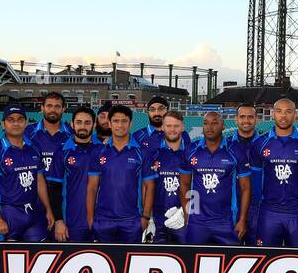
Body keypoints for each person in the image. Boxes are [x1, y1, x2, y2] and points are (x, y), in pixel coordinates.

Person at [0, 105, 56, 242]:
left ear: (25, 123)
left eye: (20, 119)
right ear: (3, 124)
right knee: (9, 260)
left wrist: (48, 209)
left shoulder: (34, 147)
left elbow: (39, 180)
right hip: (8, 213)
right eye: (10, 120)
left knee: (37, 257)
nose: (16, 123)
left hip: (34, 211)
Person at [248, 98, 298, 247]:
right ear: (273, 114)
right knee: (266, 259)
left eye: (288, 111)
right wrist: (266, 201)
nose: (283, 116)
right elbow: (256, 180)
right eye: (279, 111)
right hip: (269, 212)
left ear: (295, 115)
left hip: (297, 213)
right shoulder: (260, 144)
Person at [86, 104, 155, 243]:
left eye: (124, 121)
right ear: (110, 124)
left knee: (130, 262)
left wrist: (145, 218)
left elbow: (150, 186)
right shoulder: (98, 152)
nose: (120, 125)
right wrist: (91, 220)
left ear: (131, 124)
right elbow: (92, 188)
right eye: (116, 121)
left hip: (132, 221)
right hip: (103, 221)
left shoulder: (141, 152)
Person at [185, 111, 252, 245]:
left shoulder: (235, 150)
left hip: (226, 221)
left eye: (215, 123)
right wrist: (188, 215)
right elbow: (184, 185)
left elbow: (245, 188)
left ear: (223, 126)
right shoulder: (191, 149)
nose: (210, 127)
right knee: (195, 261)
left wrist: (242, 219)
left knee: (229, 262)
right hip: (197, 222)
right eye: (206, 123)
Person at [143, 110, 192, 243]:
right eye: (168, 126)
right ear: (163, 127)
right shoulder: (152, 154)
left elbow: (198, 187)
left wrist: (187, 214)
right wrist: (147, 217)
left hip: (184, 219)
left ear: (183, 127)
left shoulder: (192, 153)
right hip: (158, 219)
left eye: (176, 126)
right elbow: (146, 187)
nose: (172, 130)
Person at [53, 106, 99, 243]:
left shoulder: (104, 150)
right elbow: (54, 188)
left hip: (101, 221)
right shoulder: (62, 152)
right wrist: (59, 220)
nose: (82, 126)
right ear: (72, 124)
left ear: (94, 125)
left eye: (87, 122)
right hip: (71, 222)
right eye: (79, 122)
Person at [25, 92, 73, 216]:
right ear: (42, 108)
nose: (53, 110)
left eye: (57, 106)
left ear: (63, 109)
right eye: (49, 105)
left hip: (63, 195)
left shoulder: (72, 135)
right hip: (33, 194)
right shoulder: (27, 133)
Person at [224, 104, 263, 246]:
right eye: (242, 117)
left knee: (259, 258)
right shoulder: (225, 145)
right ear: (236, 119)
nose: (246, 120)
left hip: (259, 210)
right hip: (231, 208)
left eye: (250, 117)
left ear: (256, 120)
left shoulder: (266, 144)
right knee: (231, 256)